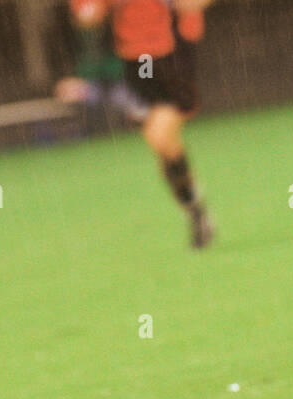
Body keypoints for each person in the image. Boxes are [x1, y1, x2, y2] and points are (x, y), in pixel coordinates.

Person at [58, 0, 216, 248]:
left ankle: (197, 212)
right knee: (163, 147)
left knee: (159, 137)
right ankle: (196, 211)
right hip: (138, 63)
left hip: (172, 55)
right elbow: (86, 16)